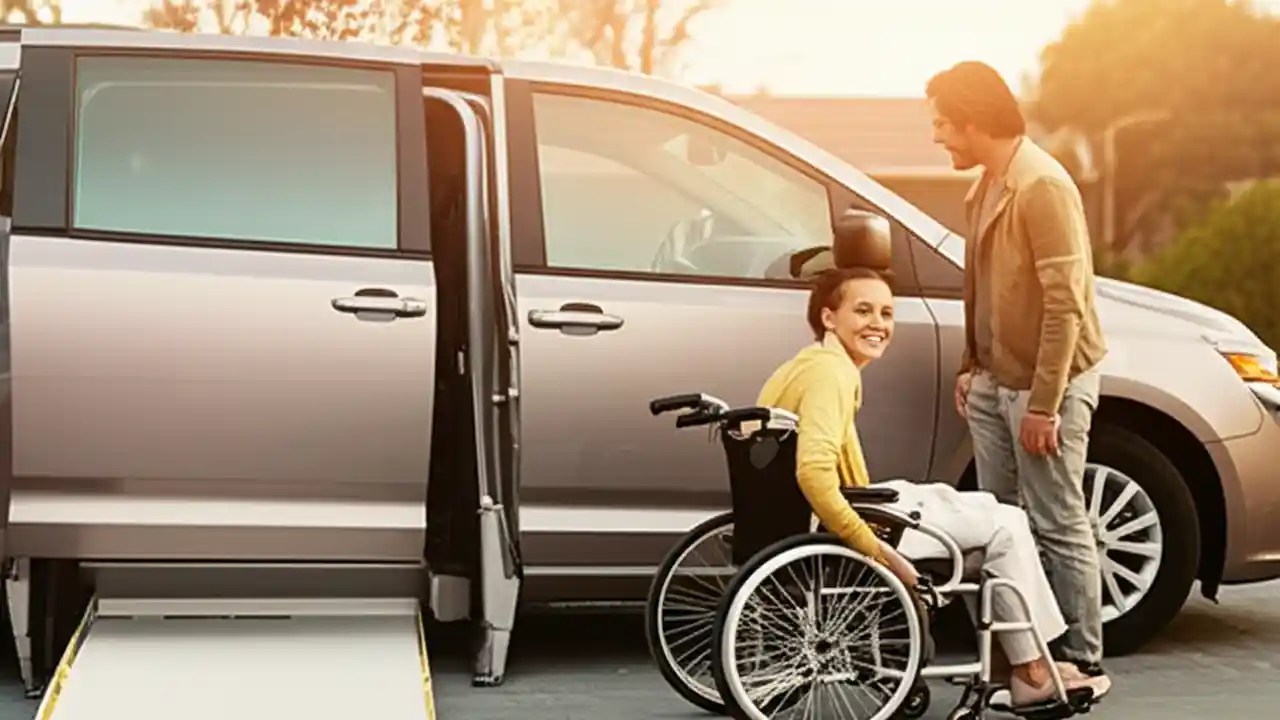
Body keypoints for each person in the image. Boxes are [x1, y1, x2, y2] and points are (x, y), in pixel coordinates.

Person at [756, 266, 1111, 708]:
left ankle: (1011, 662)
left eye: (886, 313)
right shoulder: (832, 374)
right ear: (829, 318)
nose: (878, 324)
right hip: (858, 516)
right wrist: (878, 552)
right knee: (1008, 524)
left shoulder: (805, 365)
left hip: (853, 504)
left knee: (986, 521)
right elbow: (813, 473)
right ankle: (1032, 671)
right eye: (862, 311)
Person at [924, 61, 1109, 679]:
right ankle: (1023, 661)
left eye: (944, 124)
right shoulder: (985, 186)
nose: (938, 137)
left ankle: (1079, 661)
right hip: (993, 383)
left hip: (1042, 387)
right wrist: (971, 367)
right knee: (1003, 522)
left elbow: (1068, 305)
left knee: (1057, 521)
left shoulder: (1042, 187)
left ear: (975, 122)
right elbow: (978, 287)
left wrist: (1044, 405)